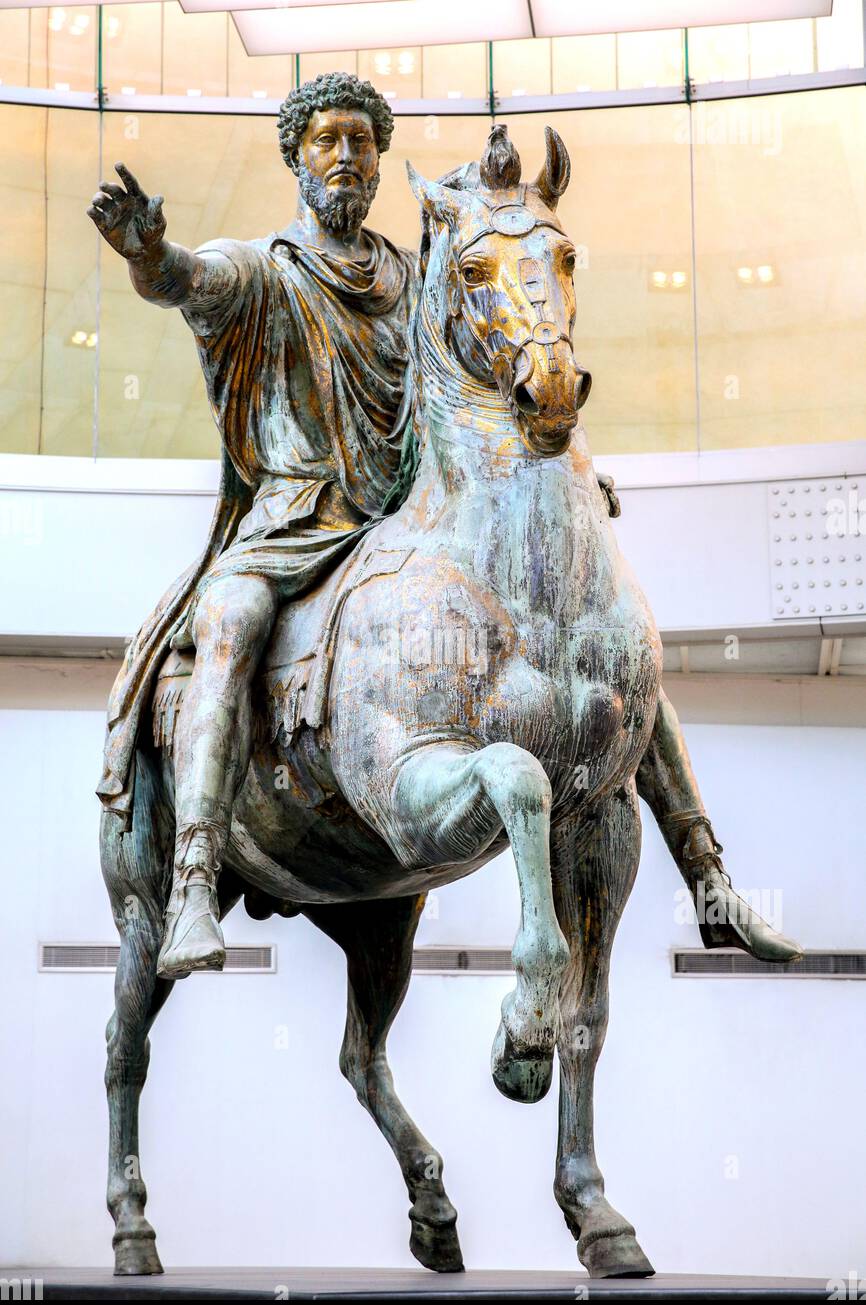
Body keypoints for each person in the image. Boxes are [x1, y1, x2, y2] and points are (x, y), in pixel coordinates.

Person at [88, 81, 799, 979]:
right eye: (324, 141)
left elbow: (476, 383)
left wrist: (562, 477)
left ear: (383, 160)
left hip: (413, 513)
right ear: (295, 159)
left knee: (604, 636)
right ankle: (194, 875)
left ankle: (706, 867)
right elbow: (189, 281)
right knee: (229, 618)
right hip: (301, 521)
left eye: (361, 140)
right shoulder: (265, 270)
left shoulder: (416, 273)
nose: (345, 155)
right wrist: (152, 254)